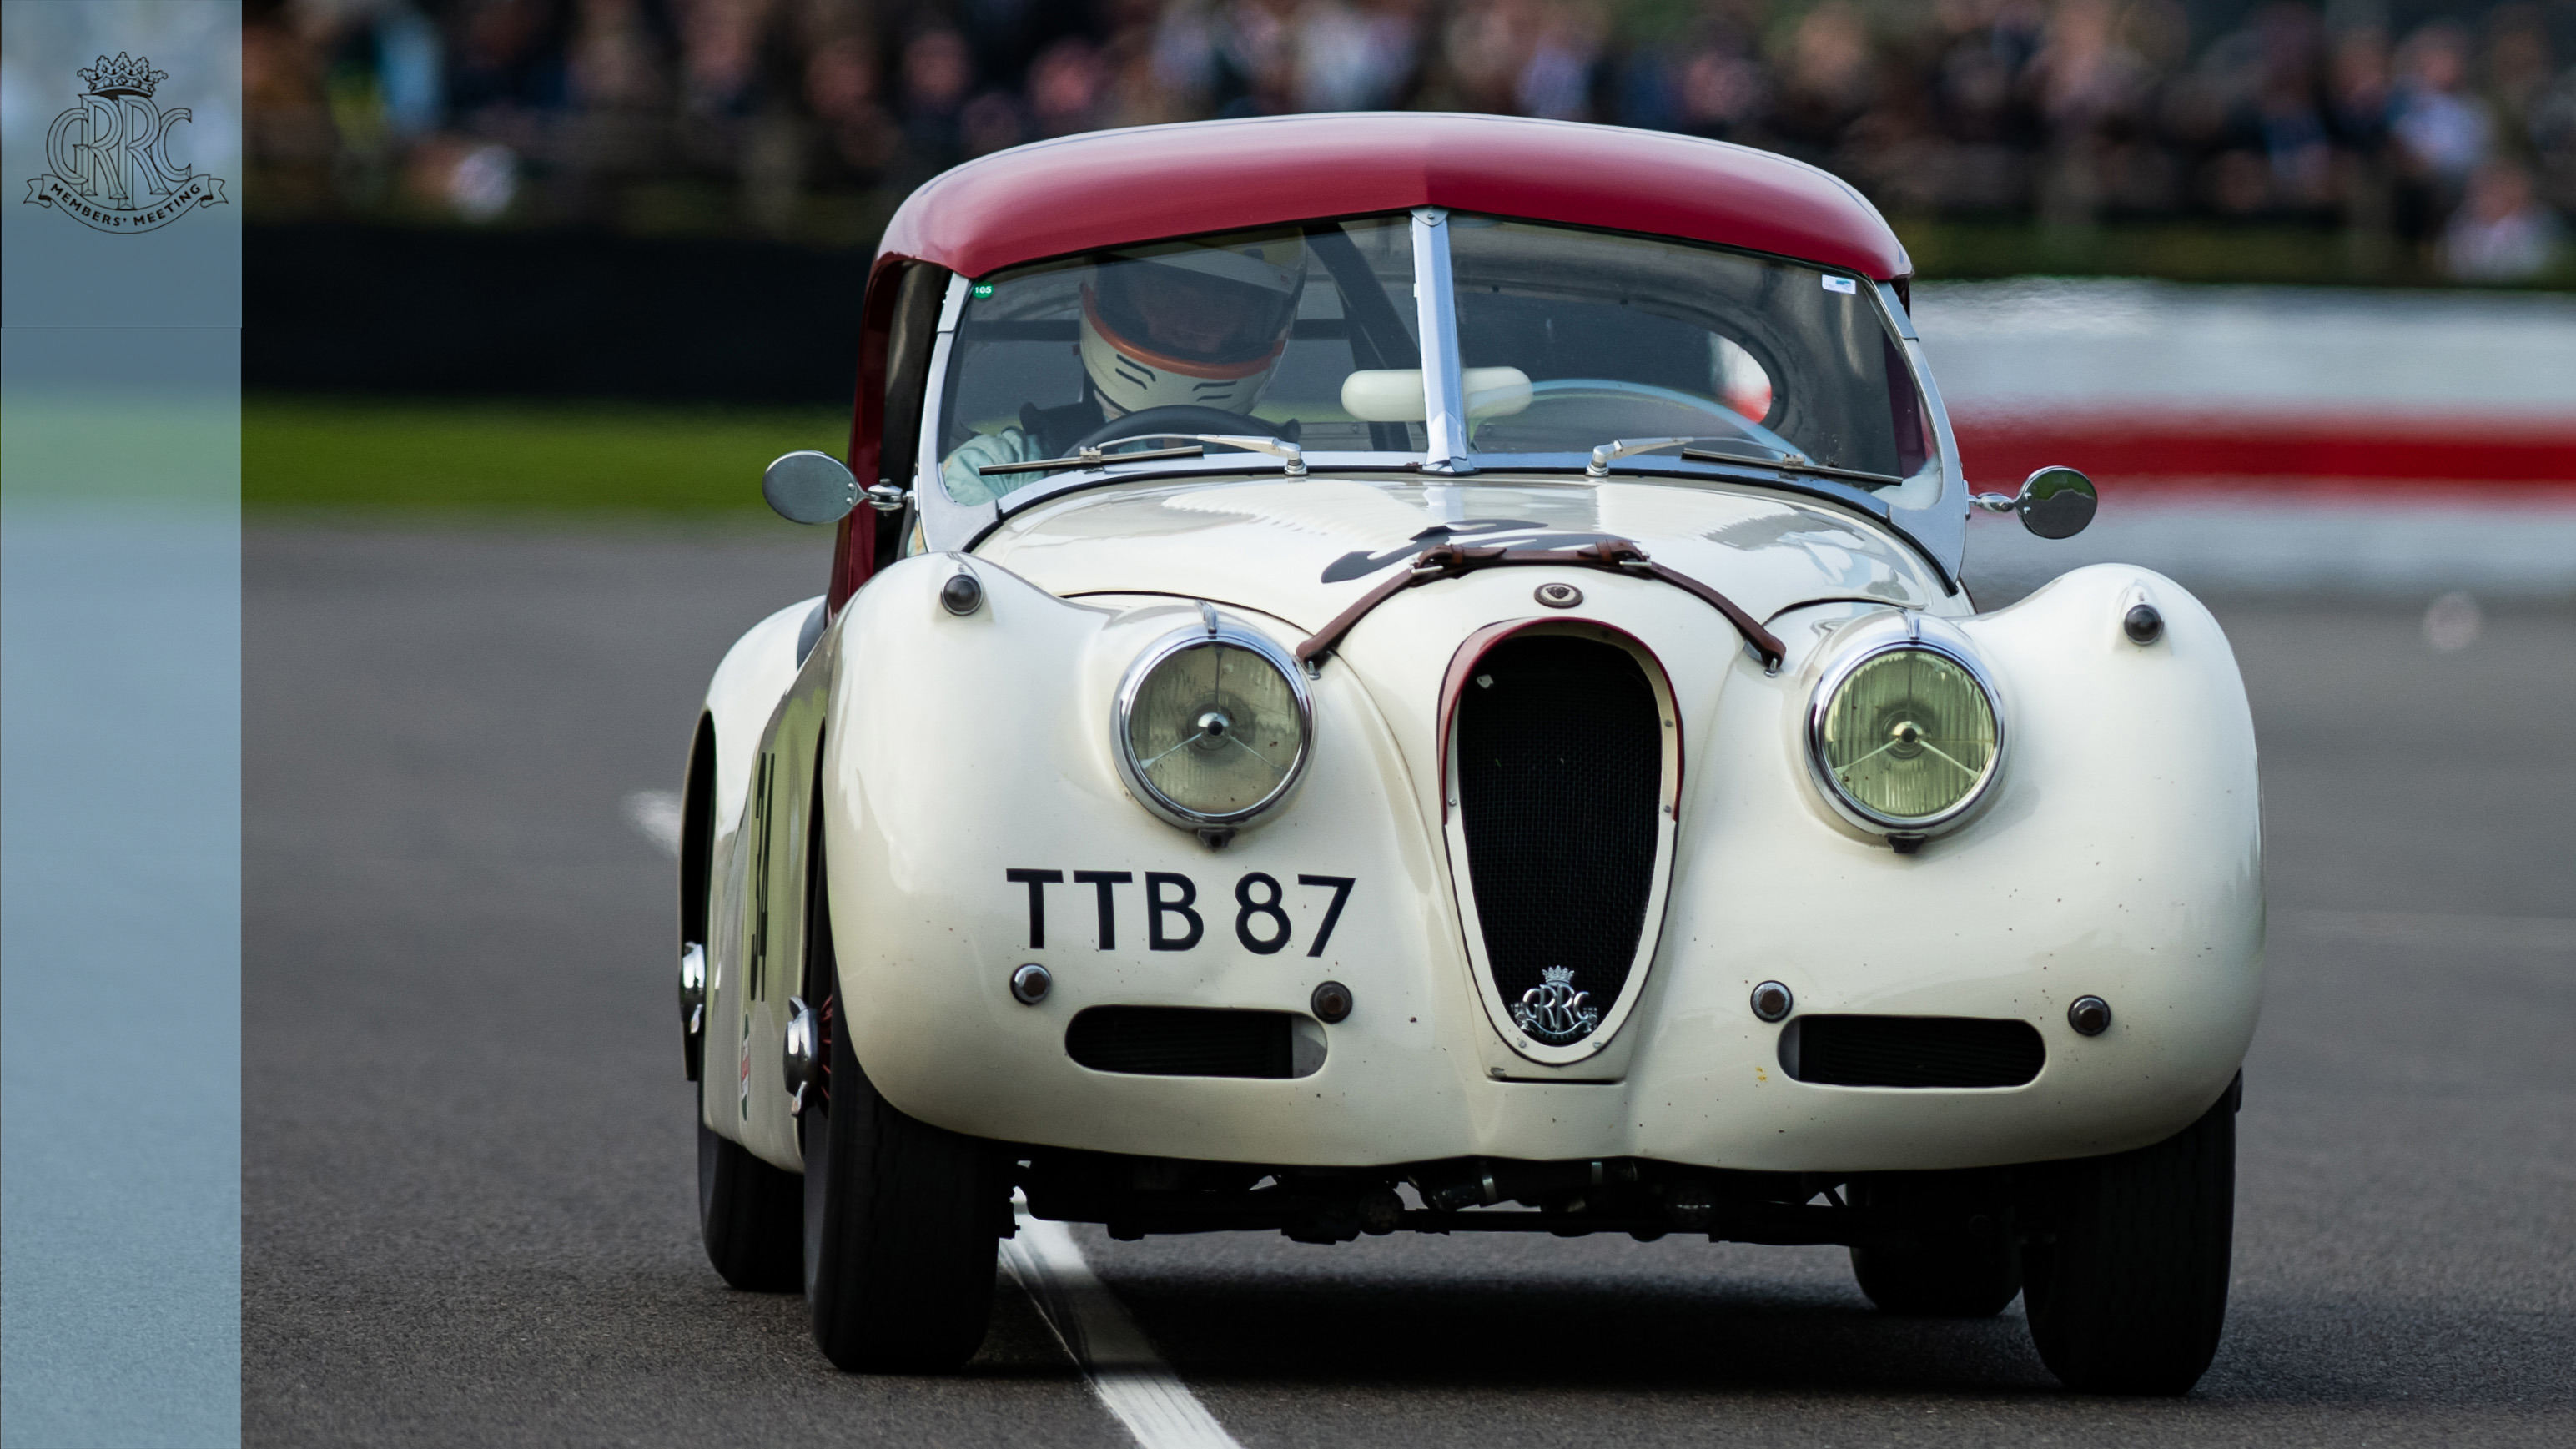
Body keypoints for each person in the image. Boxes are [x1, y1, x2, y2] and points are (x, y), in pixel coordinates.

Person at [941, 231, 1308, 504]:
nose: (1184, 322)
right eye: (1163, 293)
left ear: (1266, 323)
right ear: (1107, 294)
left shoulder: (1305, 476)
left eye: (1220, 303)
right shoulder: (999, 471)